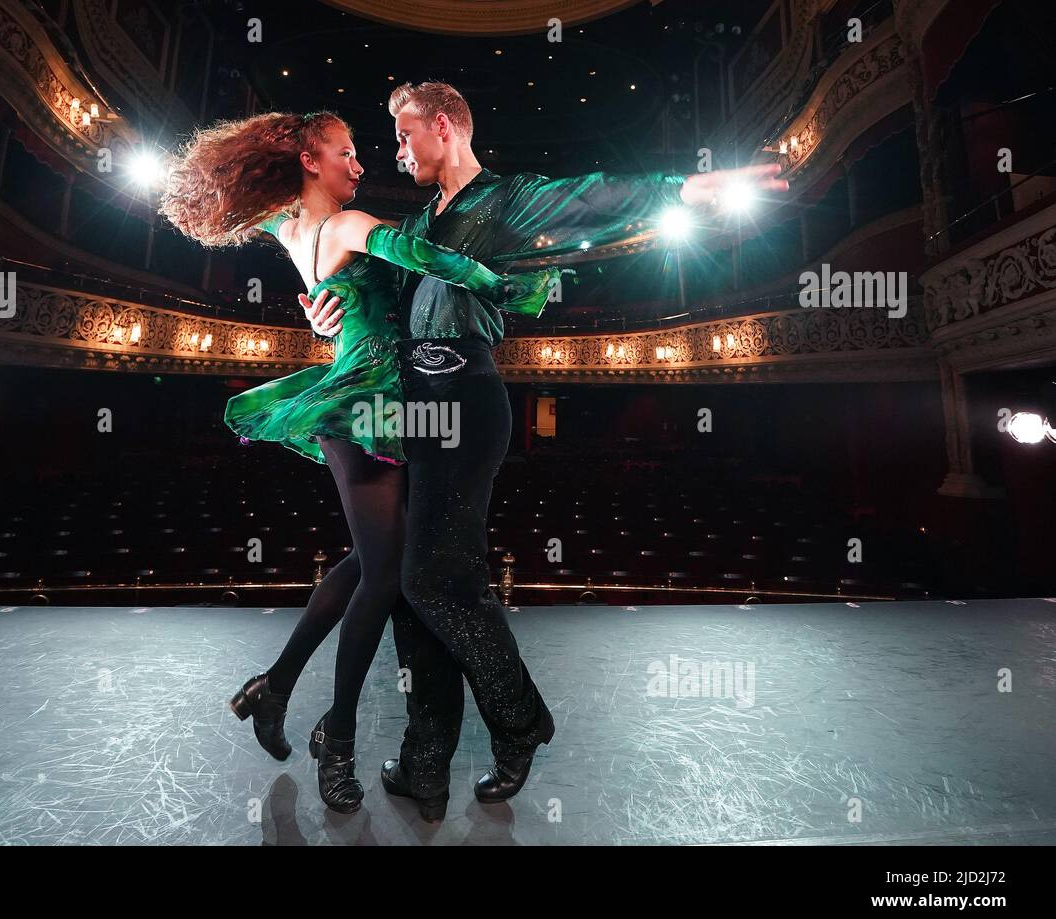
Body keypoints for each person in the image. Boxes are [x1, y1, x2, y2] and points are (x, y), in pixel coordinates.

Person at [302, 82, 788, 820]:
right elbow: (367, 303)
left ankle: (522, 722)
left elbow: (592, 197)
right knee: (409, 581)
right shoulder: (414, 221)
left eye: (403, 134)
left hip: (466, 398)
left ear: (443, 126)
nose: (395, 151)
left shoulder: (508, 199)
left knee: (435, 579)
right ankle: (425, 764)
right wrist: (323, 311)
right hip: (411, 408)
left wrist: (686, 186)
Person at [158, 110, 561, 815]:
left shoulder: (287, 229)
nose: (361, 164)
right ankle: (335, 736)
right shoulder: (347, 225)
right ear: (309, 159)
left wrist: (324, 309)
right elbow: (431, 262)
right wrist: (515, 288)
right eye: (347, 152)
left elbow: (357, 294)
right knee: (384, 572)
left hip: (378, 405)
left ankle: (276, 687)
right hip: (371, 407)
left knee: (383, 563)